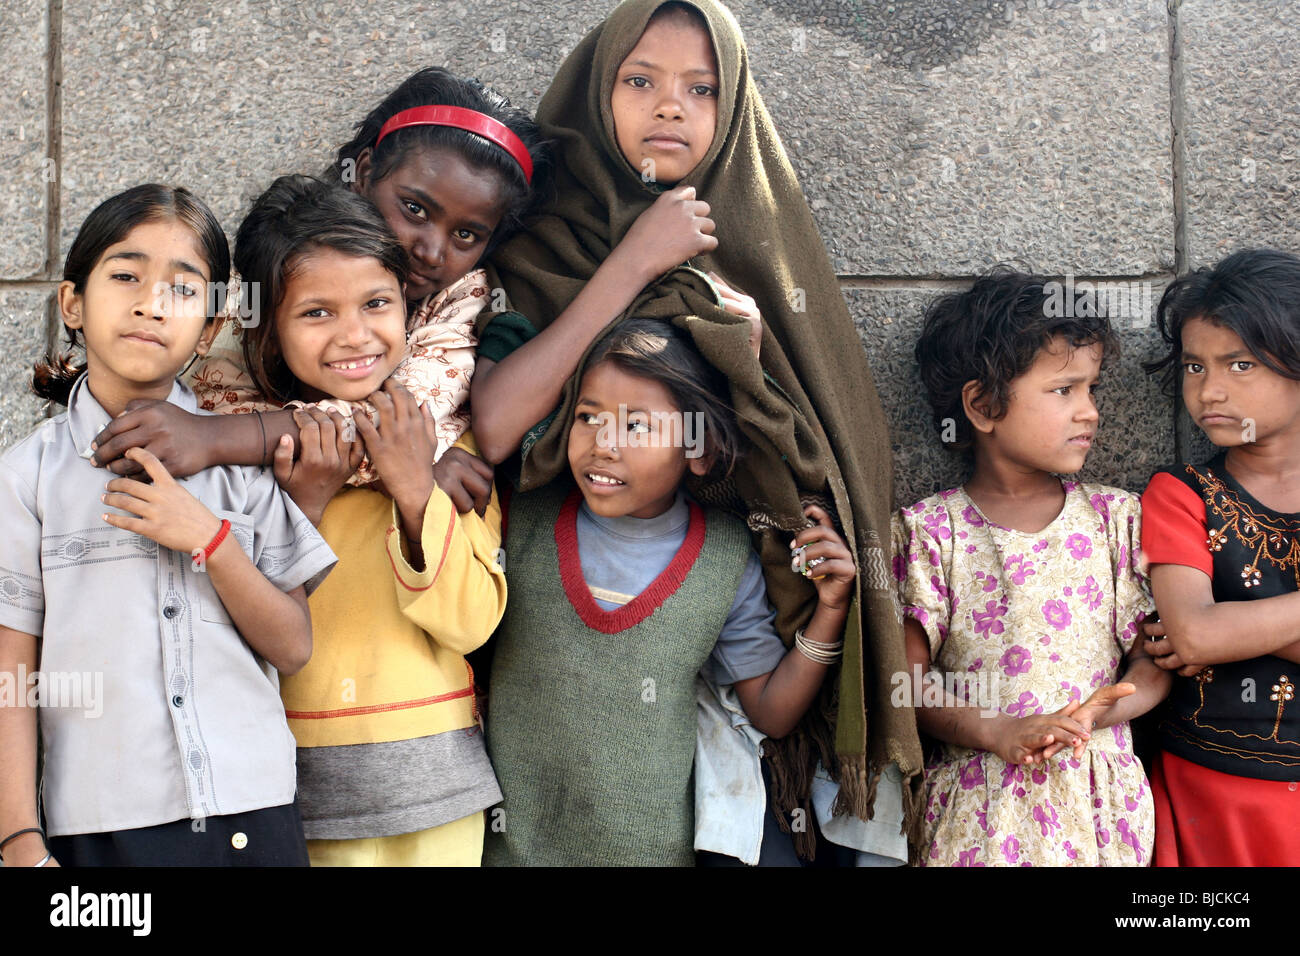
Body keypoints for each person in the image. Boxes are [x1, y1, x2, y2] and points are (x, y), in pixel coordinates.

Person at [476, 0, 913, 848]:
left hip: (703, 631)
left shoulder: (761, 244)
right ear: (597, 87)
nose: (668, 106)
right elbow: (495, 429)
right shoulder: (541, 242)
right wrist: (637, 259)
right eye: (639, 80)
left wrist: (745, 365)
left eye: (701, 89)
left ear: (734, 108)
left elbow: (826, 432)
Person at [0, 185, 335, 867]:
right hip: (103, 826)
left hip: (253, 813)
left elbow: (294, 645)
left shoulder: (241, 464)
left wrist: (209, 540)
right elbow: (11, 673)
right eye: (125, 276)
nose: (151, 303)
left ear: (209, 330)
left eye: (184, 290)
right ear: (72, 303)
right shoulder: (27, 478)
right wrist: (17, 838)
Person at [87, 67, 549, 515]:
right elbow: (214, 402)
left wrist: (213, 442)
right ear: (363, 173)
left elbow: (401, 431)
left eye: (466, 235)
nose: (430, 250)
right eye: (414, 208)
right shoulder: (281, 265)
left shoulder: (461, 298)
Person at [484, 318, 856, 866]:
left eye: (637, 426)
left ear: (699, 452)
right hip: (509, 849)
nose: (602, 445)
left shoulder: (724, 558)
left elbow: (771, 713)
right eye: (588, 417)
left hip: (653, 850)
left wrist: (829, 609)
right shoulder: (522, 517)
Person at [225, 175, 508, 866]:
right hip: (288, 787)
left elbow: (473, 621)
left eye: (376, 303)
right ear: (267, 332)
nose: (355, 335)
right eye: (316, 313)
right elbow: (234, 627)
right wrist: (305, 505)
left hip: (435, 790)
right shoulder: (244, 458)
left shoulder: (443, 443)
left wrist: (415, 490)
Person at [894, 270, 1169, 866]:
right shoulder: (932, 533)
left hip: (1098, 801)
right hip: (981, 811)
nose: (1090, 412)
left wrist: (1105, 710)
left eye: (1092, 389)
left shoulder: (1115, 519)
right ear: (983, 405)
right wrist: (999, 732)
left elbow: (1153, 659)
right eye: (1064, 390)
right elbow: (909, 684)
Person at [1140, 248, 1300, 867]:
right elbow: (1196, 634)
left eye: (1241, 364)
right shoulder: (1181, 495)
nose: (1210, 391)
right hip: (1212, 786)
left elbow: (1206, 633)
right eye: (1194, 366)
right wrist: (1209, 634)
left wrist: (1234, 626)